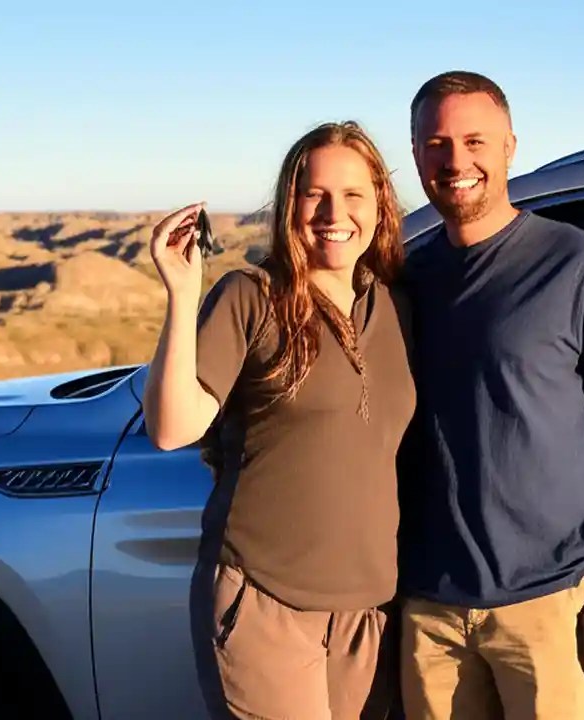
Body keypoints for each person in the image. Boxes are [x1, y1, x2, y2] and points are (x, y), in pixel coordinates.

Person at [395, 70, 584, 719]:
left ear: (511, 146)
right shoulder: (404, 278)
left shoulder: (581, 265)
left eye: (475, 141)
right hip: (429, 611)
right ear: (415, 154)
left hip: (547, 607)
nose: (456, 161)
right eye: (436, 144)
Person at [142, 121, 417, 720]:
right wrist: (184, 296)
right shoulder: (252, 296)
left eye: (352, 195)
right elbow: (172, 427)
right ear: (289, 203)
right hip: (264, 603)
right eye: (313, 194)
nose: (332, 213)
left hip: (369, 615)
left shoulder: (394, 305)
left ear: (379, 205)